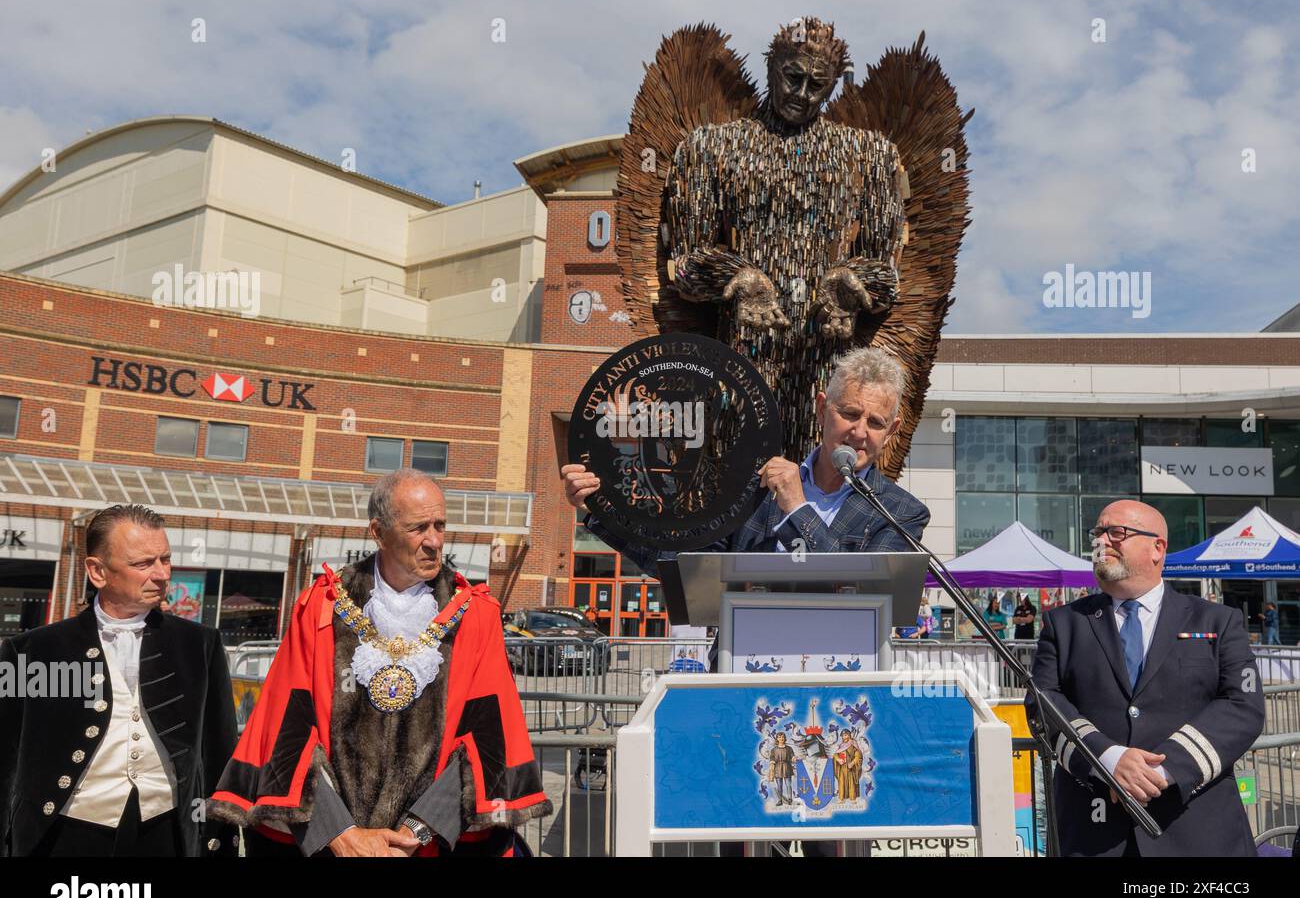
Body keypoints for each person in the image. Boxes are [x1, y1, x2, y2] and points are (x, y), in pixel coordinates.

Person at [209, 470, 551, 856]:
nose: (434, 541)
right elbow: (287, 727)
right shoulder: (320, 608)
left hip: (432, 845)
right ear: (378, 531)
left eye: (440, 525)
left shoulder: (476, 615)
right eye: (419, 527)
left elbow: (488, 737)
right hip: (334, 846)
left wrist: (413, 837)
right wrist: (343, 835)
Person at [1026, 500, 1264, 856]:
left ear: (1158, 548)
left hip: (1197, 830)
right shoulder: (1064, 625)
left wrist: (1162, 771)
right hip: (1095, 835)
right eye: (1098, 533)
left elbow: (1242, 707)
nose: (1101, 542)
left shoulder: (1217, 621)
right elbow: (1042, 702)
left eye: (1117, 532)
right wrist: (1109, 760)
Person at [561, 345, 930, 573]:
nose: (860, 432)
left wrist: (798, 509)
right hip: (741, 679)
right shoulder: (754, 487)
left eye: (876, 422)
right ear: (822, 409)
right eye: (849, 413)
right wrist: (601, 506)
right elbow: (682, 566)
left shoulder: (900, 513)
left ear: (892, 430)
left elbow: (855, 590)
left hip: (836, 691)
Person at [0, 504, 237, 856]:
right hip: (60, 833)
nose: (160, 574)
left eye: (165, 559)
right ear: (97, 571)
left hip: (166, 831)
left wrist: (220, 837)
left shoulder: (200, 644)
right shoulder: (31, 650)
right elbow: (5, 757)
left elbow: (219, 750)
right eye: (143, 563)